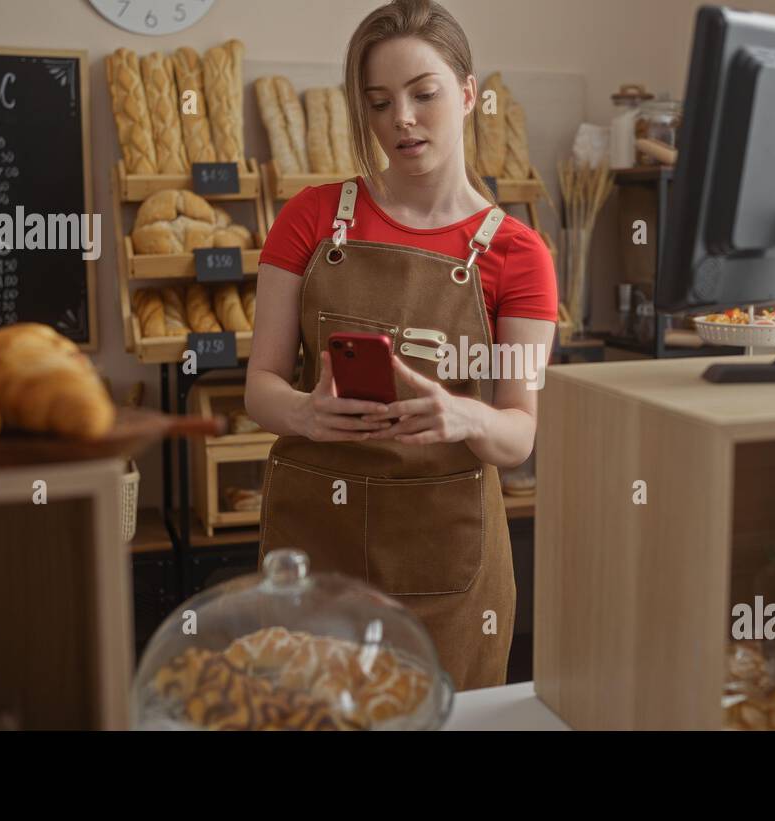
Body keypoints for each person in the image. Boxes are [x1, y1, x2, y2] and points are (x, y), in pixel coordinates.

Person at [244, 0, 558, 691]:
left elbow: (518, 433)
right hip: (315, 545)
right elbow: (259, 384)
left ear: (469, 94)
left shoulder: (518, 253)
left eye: (425, 94)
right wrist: (303, 412)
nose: (402, 120)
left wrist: (465, 416)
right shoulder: (310, 218)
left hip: (446, 566)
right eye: (380, 103)